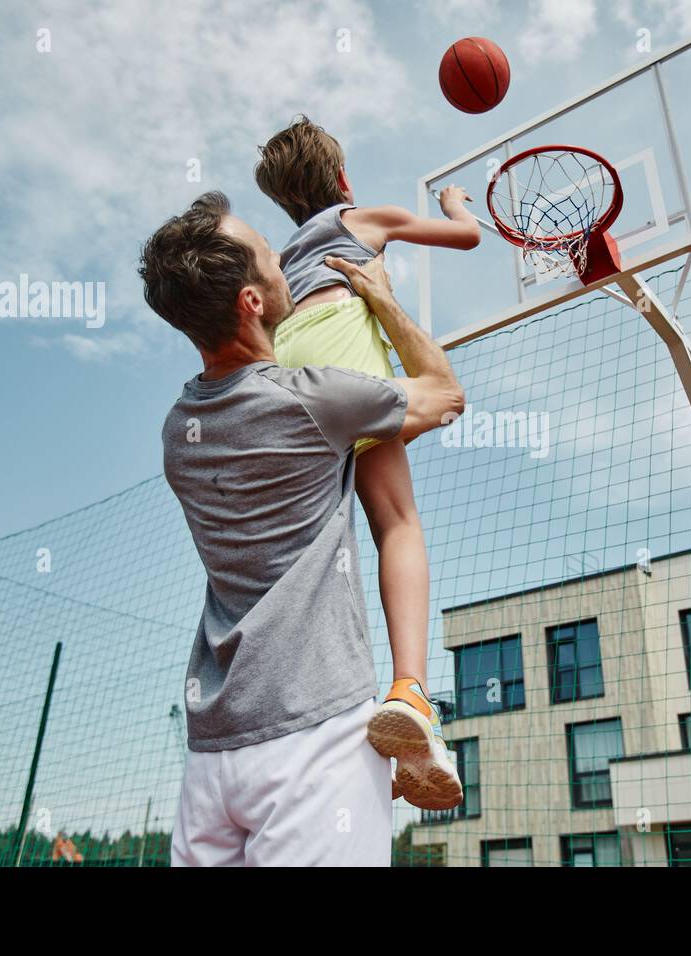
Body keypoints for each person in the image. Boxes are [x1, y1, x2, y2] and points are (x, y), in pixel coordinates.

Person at [138, 191, 464, 865]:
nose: (288, 264)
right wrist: (379, 298)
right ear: (252, 302)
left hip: (213, 752)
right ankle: (416, 692)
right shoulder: (318, 399)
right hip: (315, 737)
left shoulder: (177, 433)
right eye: (271, 255)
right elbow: (444, 392)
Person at [253, 115, 480, 809]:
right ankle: (409, 689)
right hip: (343, 345)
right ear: (342, 180)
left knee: (313, 543)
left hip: (286, 366)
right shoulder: (360, 216)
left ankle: (306, 708)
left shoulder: (284, 251)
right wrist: (453, 205)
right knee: (396, 522)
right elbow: (465, 240)